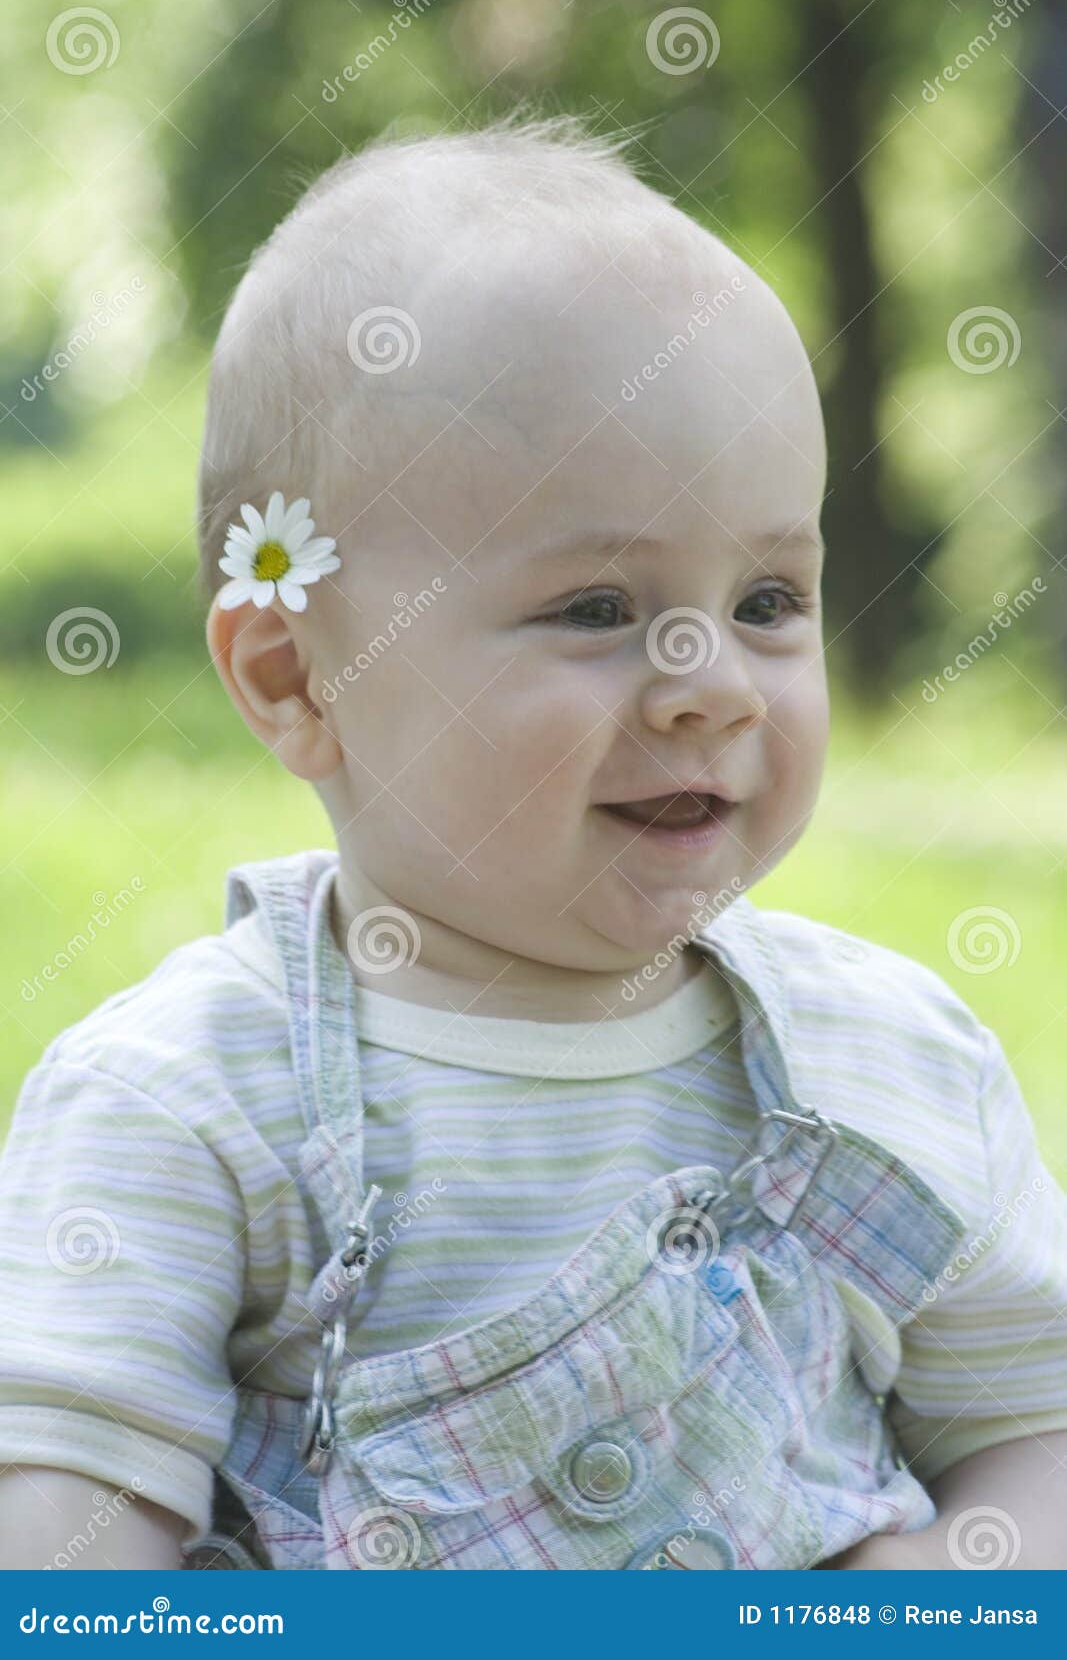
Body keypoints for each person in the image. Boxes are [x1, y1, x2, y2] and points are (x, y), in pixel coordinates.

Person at [1, 112, 1065, 1571]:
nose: (712, 681)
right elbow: (68, 1545)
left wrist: (950, 1580)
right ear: (298, 678)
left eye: (767, 599)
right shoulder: (191, 1104)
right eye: (596, 608)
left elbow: (1034, 1422)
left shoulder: (887, 1063)